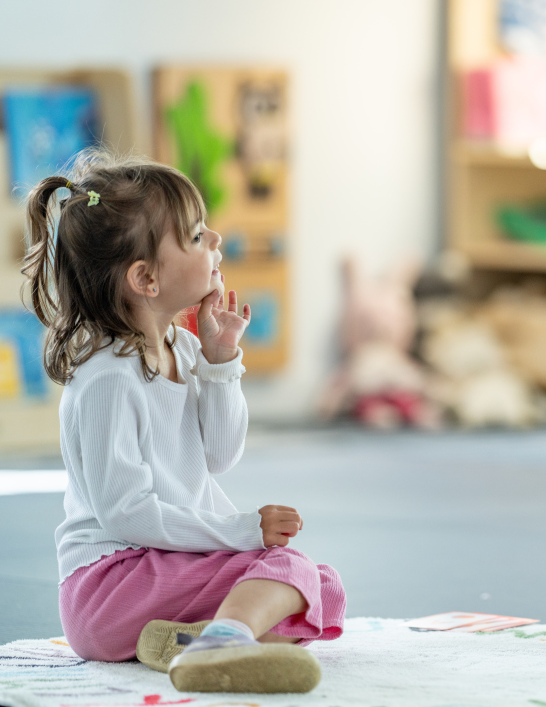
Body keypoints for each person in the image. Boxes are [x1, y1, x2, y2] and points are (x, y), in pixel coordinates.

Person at [23, 150, 345, 693]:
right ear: (146, 278)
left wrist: (220, 363)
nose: (216, 239)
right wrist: (240, 533)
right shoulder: (107, 379)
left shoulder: (184, 346)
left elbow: (220, 456)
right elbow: (127, 515)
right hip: (109, 586)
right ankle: (224, 642)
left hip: (162, 565)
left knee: (324, 587)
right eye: (196, 237)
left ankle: (184, 642)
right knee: (288, 573)